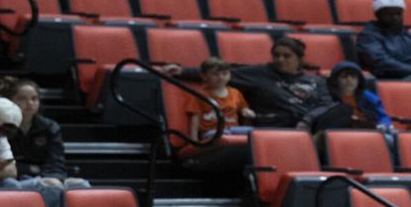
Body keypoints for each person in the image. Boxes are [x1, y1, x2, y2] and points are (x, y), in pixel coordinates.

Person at [157, 38, 333, 131]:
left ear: (299, 59)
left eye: (286, 56)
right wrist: (182, 71)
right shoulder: (260, 73)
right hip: (275, 127)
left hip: (308, 126)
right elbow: (222, 72)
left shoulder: (316, 81)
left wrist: (307, 121)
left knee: (339, 115)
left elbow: (327, 105)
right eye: (276, 55)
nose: (280, 60)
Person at [0, 77, 91, 207]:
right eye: (23, 98)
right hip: (14, 179)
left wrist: (56, 179)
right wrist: (31, 170)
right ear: (11, 101)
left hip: (44, 175)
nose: (30, 103)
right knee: (48, 188)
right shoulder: (0, 127)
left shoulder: (50, 127)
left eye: (34, 98)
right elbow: (0, 163)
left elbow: (56, 161)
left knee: (81, 185)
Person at [303, 62, 393, 132]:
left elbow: (382, 115)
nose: (349, 80)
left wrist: (384, 124)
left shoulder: (367, 96)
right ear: (335, 80)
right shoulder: (326, 96)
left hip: (369, 130)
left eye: (353, 77)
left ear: (359, 80)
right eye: (344, 77)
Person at [187, 58, 255, 145]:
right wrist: (194, 140)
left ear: (229, 75)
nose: (220, 77)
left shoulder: (235, 92)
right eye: (215, 74)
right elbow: (195, 118)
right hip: (211, 131)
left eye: (225, 74)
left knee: (255, 133)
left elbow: (243, 109)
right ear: (204, 76)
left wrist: (246, 112)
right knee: (223, 135)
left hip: (233, 129)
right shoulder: (199, 95)